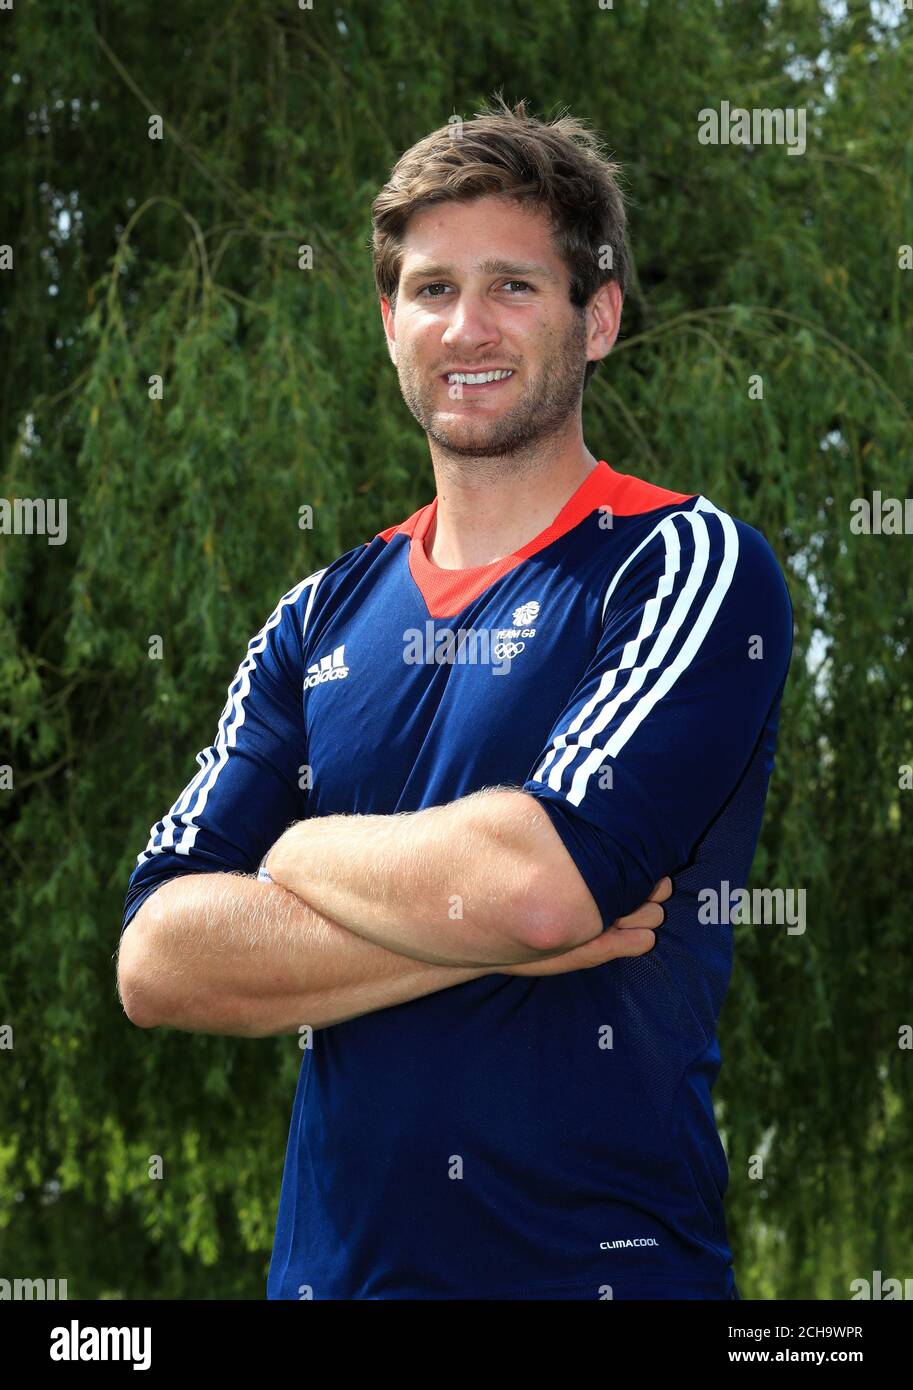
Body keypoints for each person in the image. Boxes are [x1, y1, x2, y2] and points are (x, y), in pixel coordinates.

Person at [117, 95, 792, 1300]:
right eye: (430, 290)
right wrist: (471, 929)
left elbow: (537, 884)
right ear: (388, 323)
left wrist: (297, 849)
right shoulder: (315, 616)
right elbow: (161, 957)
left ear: (597, 320)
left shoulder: (683, 564)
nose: (465, 325)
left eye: (513, 287)